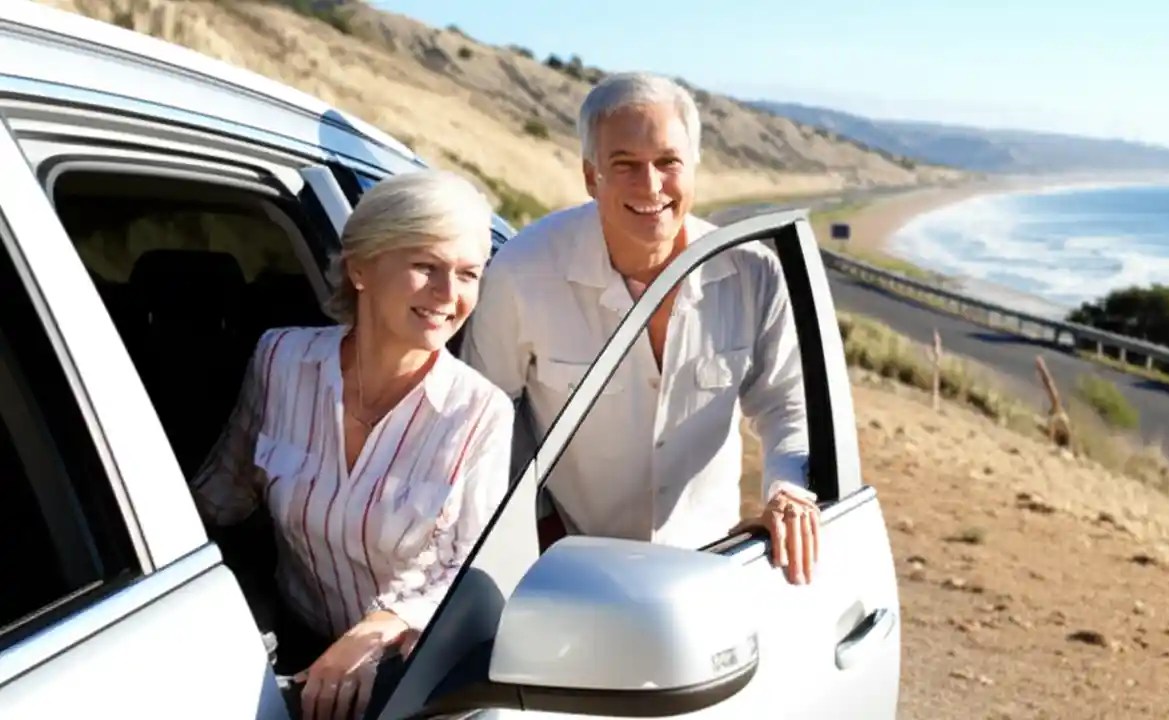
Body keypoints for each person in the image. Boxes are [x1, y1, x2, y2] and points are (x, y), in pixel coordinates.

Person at [460, 72, 821, 586]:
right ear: (591, 176)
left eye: (667, 162)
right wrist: (520, 533)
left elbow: (786, 404)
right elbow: (484, 416)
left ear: (693, 166)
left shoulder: (753, 273)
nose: (650, 186)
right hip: (566, 572)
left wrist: (786, 490)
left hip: (709, 568)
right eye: (624, 164)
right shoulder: (522, 272)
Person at [192, 169, 514, 720]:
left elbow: (471, 573)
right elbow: (224, 492)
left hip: (402, 681)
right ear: (360, 267)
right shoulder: (281, 360)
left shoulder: (480, 412)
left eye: (468, 274)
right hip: (285, 655)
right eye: (426, 267)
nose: (449, 295)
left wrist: (374, 633)